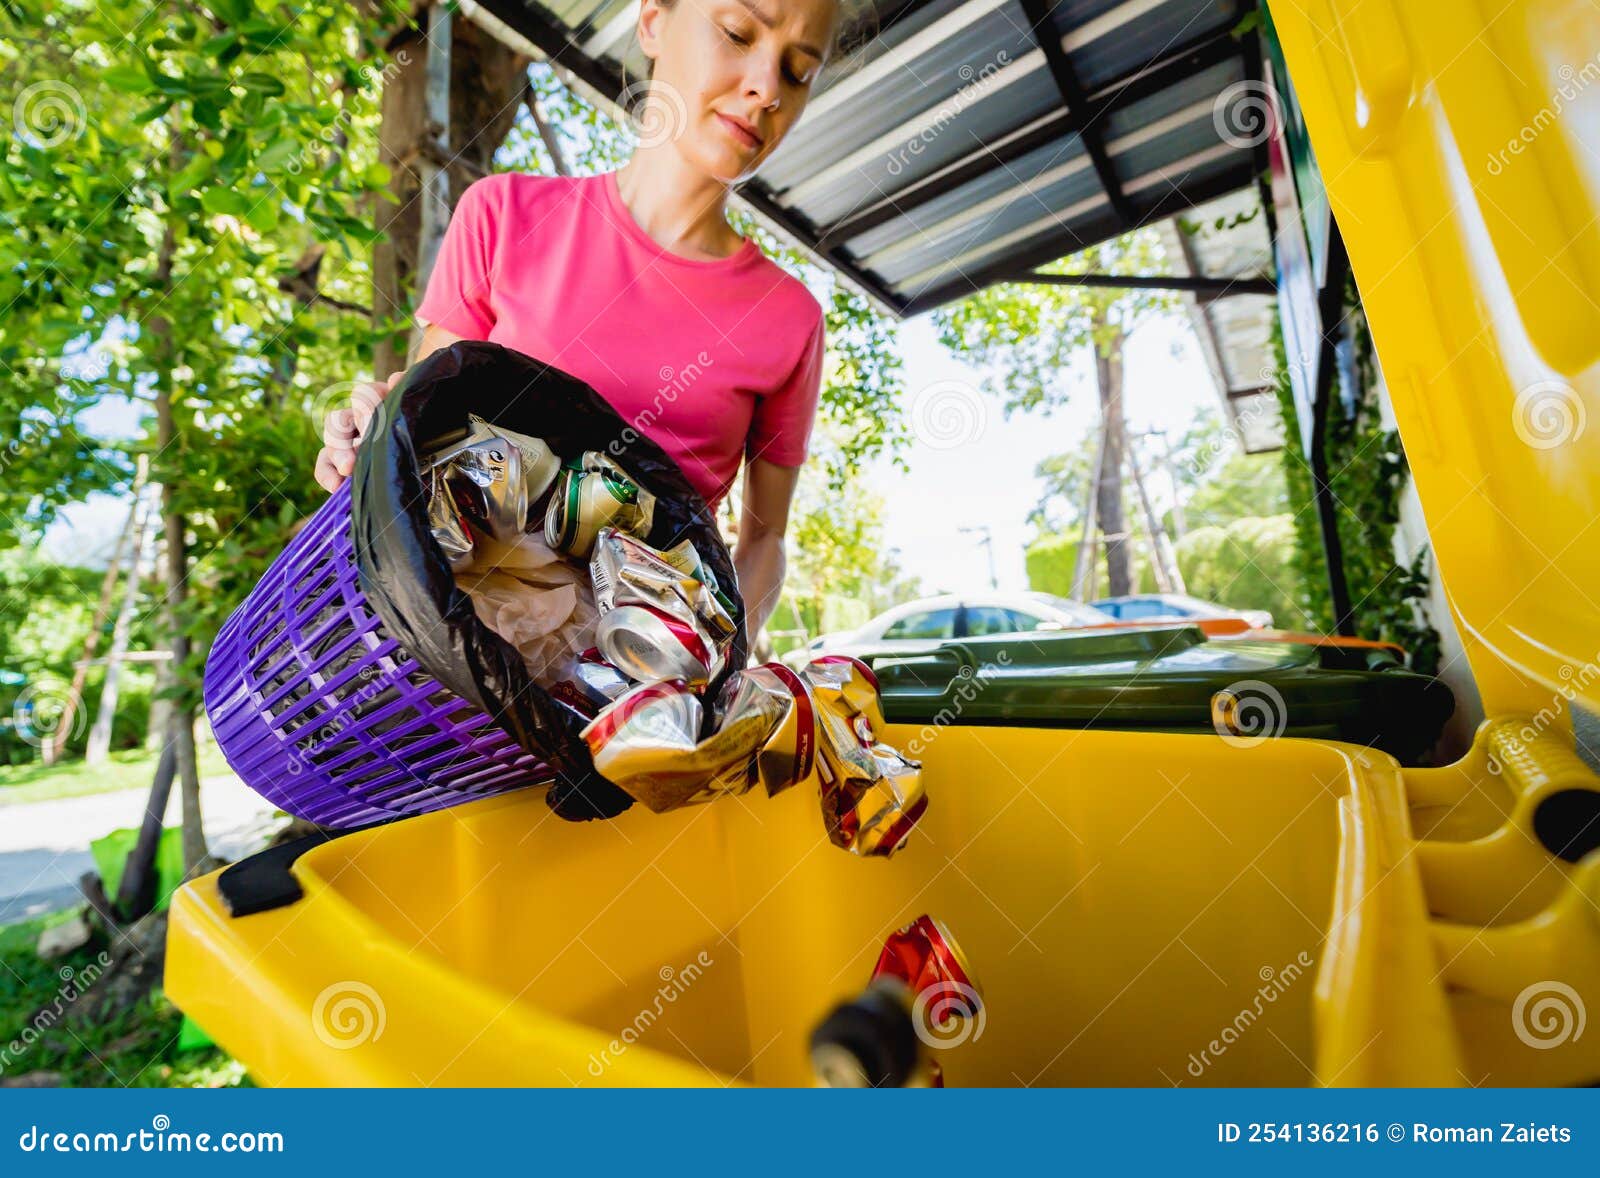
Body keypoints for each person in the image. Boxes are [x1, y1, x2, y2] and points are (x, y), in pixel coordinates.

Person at [315, 0, 860, 639]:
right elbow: (422, 435)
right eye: (738, 33)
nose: (766, 88)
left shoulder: (788, 319)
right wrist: (364, 437)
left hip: (621, 695)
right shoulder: (503, 217)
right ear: (653, 20)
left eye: (797, 72)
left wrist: (721, 663)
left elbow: (764, 542)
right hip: (448, 664)